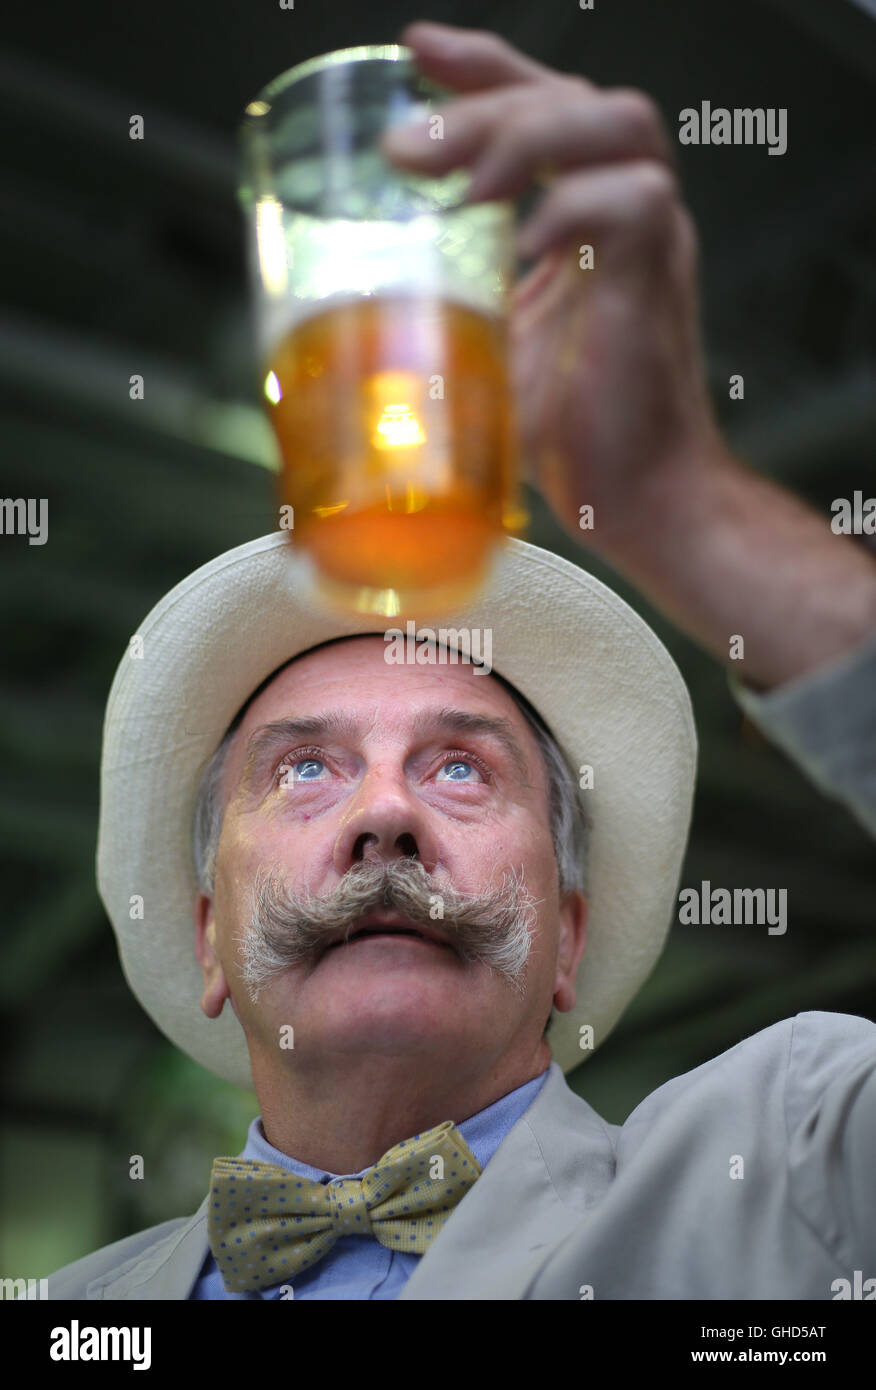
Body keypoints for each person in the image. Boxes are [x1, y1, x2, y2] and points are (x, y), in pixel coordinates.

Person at [48, 20, 875, 1300]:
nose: (385, 816)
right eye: (307, 770)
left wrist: (686, 507)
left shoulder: (799, 1173)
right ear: (207, 934)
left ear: (569, 934)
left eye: (462, 770)